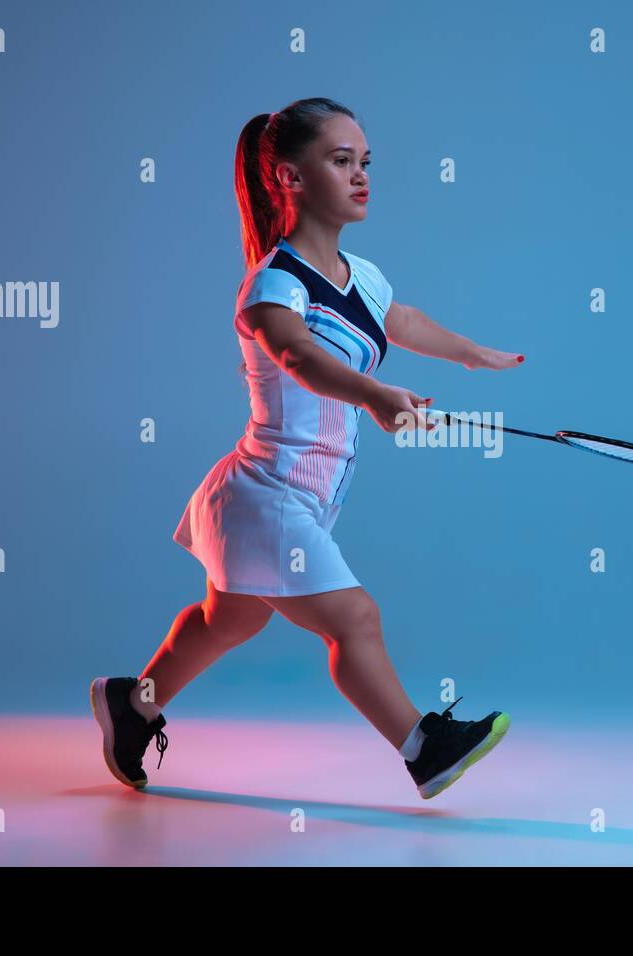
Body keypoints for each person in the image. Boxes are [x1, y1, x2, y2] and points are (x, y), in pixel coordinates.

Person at [91, 97, 525, 800]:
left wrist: (469, 353)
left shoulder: (364, 276)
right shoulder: (273, 285)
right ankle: (424, 748)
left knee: (226, 618)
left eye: (365, 163)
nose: (361, 177)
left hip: (305, 498)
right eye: (340, 160)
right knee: (354, 618)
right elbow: (298, 356)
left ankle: (132, 703)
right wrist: (377, 396)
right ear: (289, 178)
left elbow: (399, 319)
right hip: (265, 497)